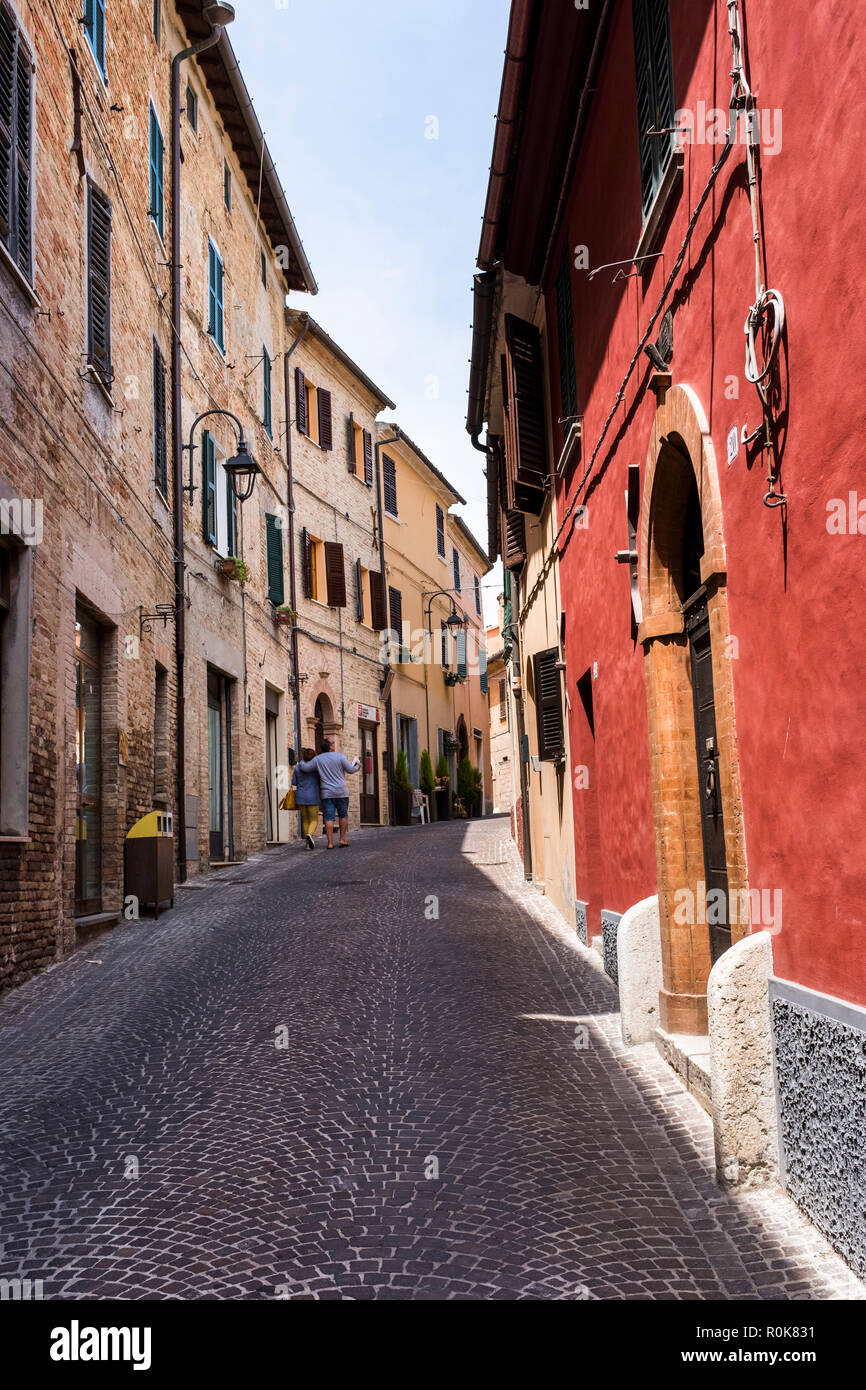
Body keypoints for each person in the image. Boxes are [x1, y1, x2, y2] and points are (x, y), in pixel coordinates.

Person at [299, 739, 360, 849]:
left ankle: (330, 843)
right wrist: (358, 765)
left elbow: (305, 768)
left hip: (327, 793)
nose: (334, 745)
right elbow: (351, 770)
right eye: (333, 744)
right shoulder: (340, 756)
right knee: (343, 815)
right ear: (330, 747)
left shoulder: (318, 759)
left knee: (329, 817)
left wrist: (302, 761)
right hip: (341, 792)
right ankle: (342, 839)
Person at [292, 748, 321, 850]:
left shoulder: (297, 767)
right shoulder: (316, 768)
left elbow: (294, 782)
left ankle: (308, 845)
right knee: (313, 819)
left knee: (305, 820)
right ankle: (309, 834)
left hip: (300, 797)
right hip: (313, 796)